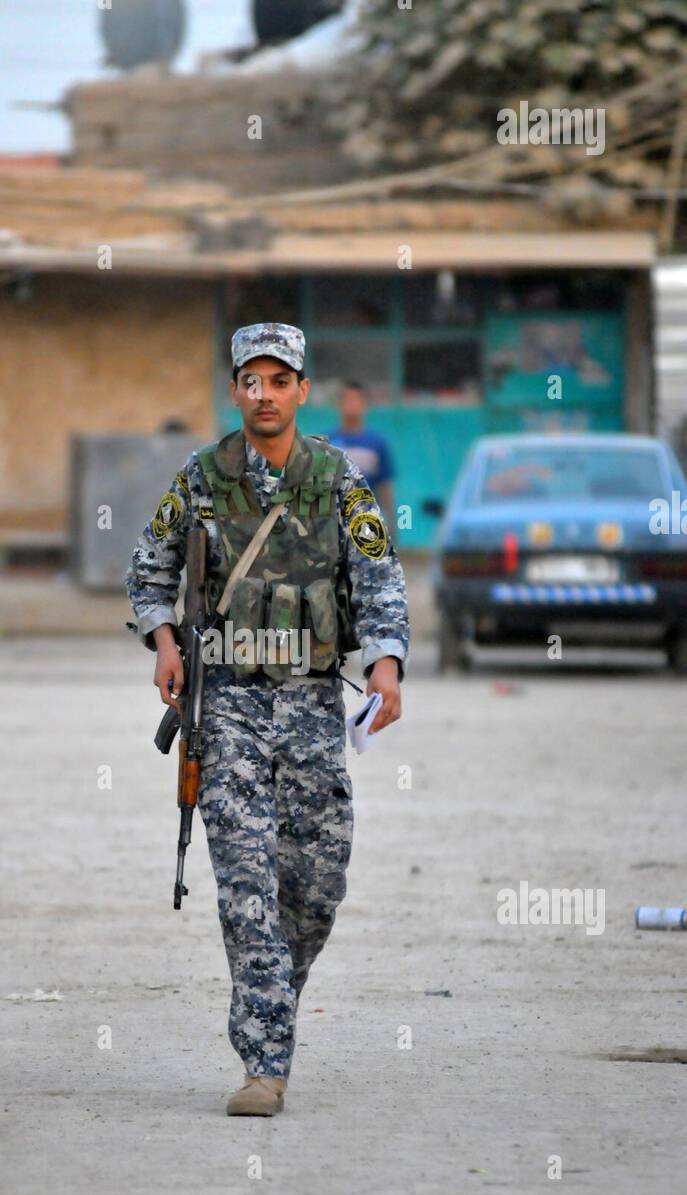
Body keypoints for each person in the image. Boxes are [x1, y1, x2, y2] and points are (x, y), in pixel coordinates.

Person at [126, 323, 410, 1117]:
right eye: (249, 380)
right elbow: (146, 570)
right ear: (234, 389)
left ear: (301, 389)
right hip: (229, 710)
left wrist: (385, 662)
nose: (263, 394)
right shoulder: (203, 478)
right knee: (247, 887)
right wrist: (163, 643)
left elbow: (379, 576)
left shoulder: (336, 479)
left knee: (315, 889)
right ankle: (263, 1064)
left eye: (277, 380)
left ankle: (274, 995)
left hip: (315, 706)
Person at [329, 381, 397, 539]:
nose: (352, 405)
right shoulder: (327, 442)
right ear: (339, 404)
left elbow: (384, 485)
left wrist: (393, 522)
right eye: (347, 400)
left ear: (365, 404)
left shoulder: (377, 443)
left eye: (357, 400)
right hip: (333, 524)